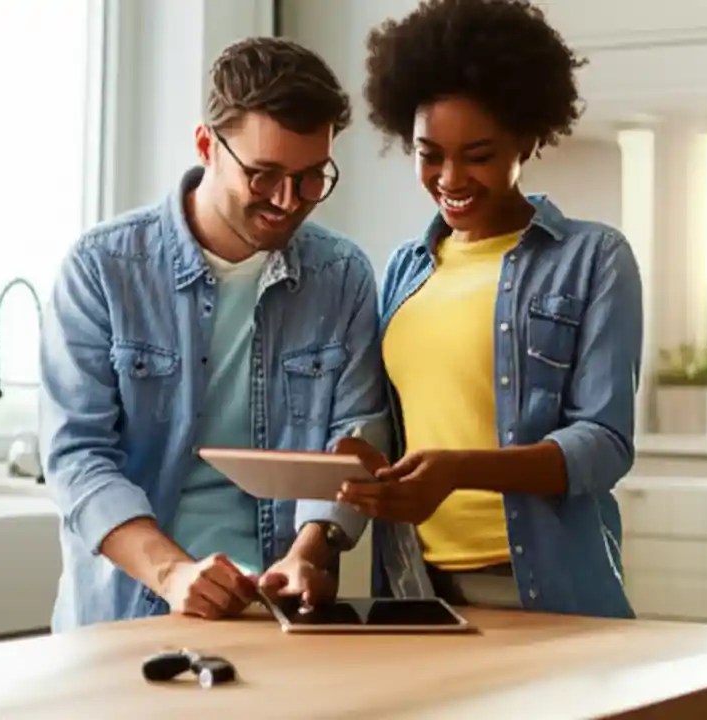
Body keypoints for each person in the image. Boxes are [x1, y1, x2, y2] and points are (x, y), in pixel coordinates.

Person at [39, 37, 386, 631]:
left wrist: (308, 555)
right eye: (263, 174)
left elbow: (352, 439)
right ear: (207, 144)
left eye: (310, 178)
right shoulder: (102, 268)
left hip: (277, 619)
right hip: (129, 615)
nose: (287, 201)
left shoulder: (343, 275)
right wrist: (174, 575)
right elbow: (76, 458)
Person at [339, 0, 643, 618]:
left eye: (477, 154)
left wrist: (459, 469)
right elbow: (381, 422)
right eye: (429, 153)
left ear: (527, 139)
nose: (450, 176)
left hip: (541, 587)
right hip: (415, 589)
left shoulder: (593, 257)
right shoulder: (404, 269)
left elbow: (605, 442)